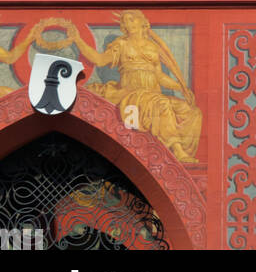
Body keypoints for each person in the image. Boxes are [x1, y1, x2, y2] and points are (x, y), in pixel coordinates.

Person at [67, 11, 202, 163]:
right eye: (125, 21)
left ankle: (178, 151)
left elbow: (160, 77)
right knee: (161, 104)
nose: (128, 23)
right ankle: (177, 150)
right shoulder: (121, 44)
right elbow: (99, 60)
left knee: (191, 111)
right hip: (132, 94)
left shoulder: (153, 47)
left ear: (141, 22)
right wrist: (77, 40)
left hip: (152, 93)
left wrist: (181, 88)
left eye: (132, 20)